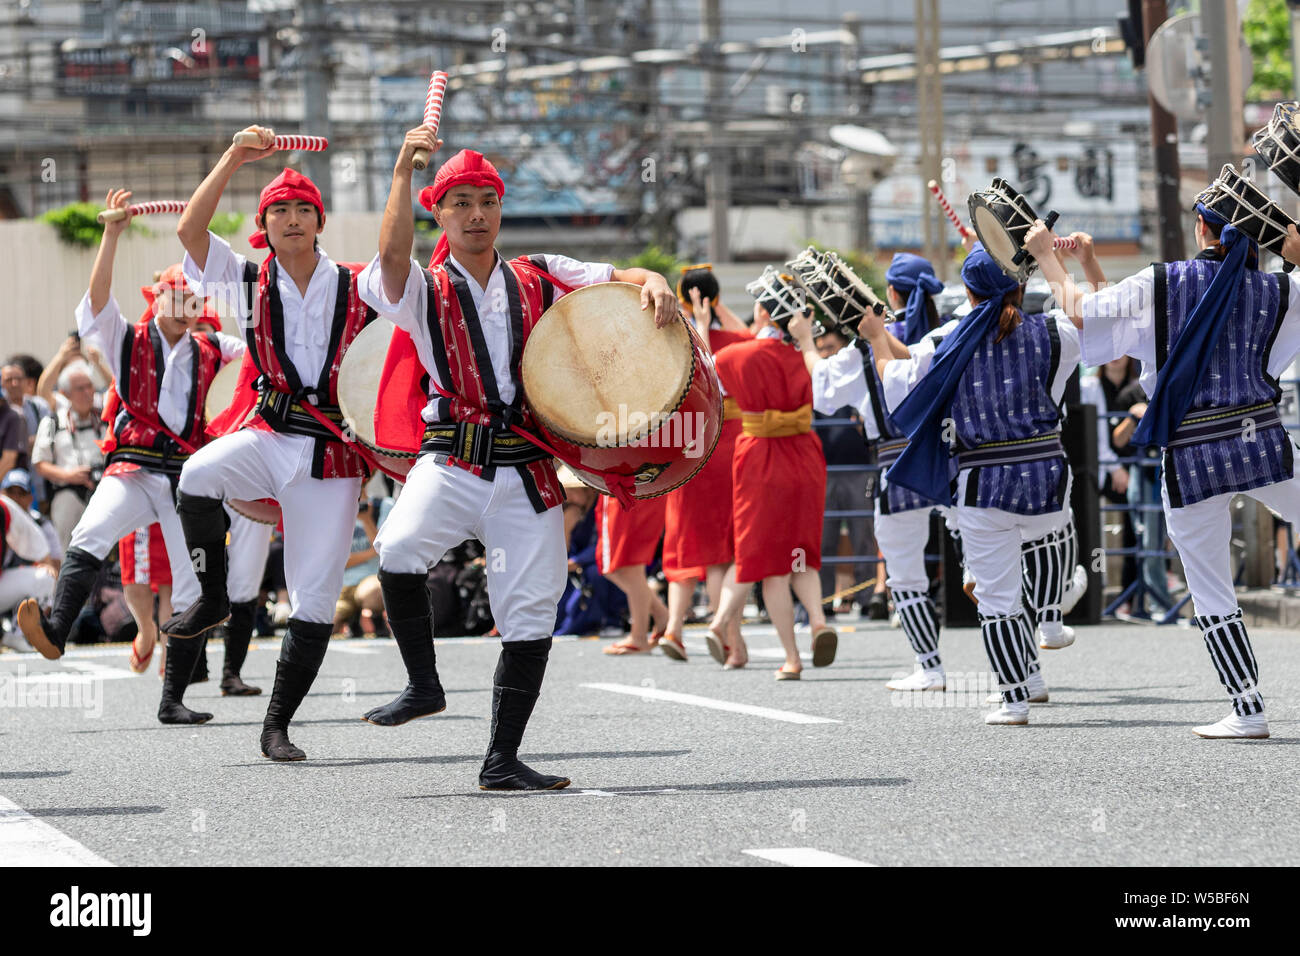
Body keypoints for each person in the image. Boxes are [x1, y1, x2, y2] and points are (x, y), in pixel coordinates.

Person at [358, 132, 680, 789]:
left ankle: (501, 760)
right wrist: (400, 170)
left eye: (487, 201)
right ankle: (424, 684)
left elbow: (626, 279)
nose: (476, 213)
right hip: (451, 457)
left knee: (532, 612)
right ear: (438, 214)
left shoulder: (543, 272)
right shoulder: (421, 287)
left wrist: (657, 282)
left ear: (500, 210)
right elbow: (390, 257)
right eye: (460, 203)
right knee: (396, 549)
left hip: (526, 470)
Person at [1028, 202, 1300, 739]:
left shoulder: (1162, 283)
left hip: (1193, 451)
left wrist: (1045, 256)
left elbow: (1087, 317)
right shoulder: (1279, 290)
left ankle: (1248, 709)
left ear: (1199, 227)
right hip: (1261, 440)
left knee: (1212, 590)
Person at [167, 128, 377, 759]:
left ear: (320, 222)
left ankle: (277, 724)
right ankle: (211, 597)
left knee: (313, 597)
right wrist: (232, 156)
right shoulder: (244, 281)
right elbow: (189, 232)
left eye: (303, 209)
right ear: (264, 224)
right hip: (269, 433)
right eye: (279, 211)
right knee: (197, 475)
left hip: (333, 456)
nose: (292, 218)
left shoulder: (357, 284)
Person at [16, 190, 245, 732]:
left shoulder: (214, 348)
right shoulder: (128, 338)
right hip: (135, 469)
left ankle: (173, 699)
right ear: (157, 298)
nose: (179, 300)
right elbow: (96, 302)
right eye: (171, 292)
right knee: (90, 532)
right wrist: (111, 235)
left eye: (189, 294)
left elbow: (265, 353)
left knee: (191, 587)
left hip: (187, 479)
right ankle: (56, 630)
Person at [874, 243, 1081, 725]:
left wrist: (874, 338)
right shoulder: (1054, 331)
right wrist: (1064, 263)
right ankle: (1051, 615)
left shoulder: (948, 339)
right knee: (1052, 534)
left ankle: (1014, 698)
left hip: (983, 486)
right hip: (1048, 479)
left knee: (997, 599)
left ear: (965, 292)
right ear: (1020, 285)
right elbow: (1090, 316)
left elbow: (898, 381)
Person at [791, 252, 949, 692]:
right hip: (950, 458)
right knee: (986, 562)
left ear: (891, 293)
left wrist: (805, 339)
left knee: (905, 573)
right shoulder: (950, 331)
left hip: (895, 464)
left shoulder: (865, 349)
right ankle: (1023, 665)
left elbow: (822, 389)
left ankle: (930, 667)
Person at [711, 301, 837, 681]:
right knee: (801, 553)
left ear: (763, 313)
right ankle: (817, 621)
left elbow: (705, 380)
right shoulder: (807, 356)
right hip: (804, 455)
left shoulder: (734, 355)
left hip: (759, 458)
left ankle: (792, 659)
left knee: (766, 564)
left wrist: (707, 320)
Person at [657, 268, 751, 663]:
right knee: (726, 550)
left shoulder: (675, 343)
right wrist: (712, 307)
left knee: (688, 543)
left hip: (690, 445)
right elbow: (746, 335)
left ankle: (678, 629)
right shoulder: (736, 342)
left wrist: (693, 314)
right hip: (733, 445)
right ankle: (729, 638)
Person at [32, 360, 106, 550]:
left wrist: (96, 359)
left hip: (104, 490)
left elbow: (119, 386)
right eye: (79, 388)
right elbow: (40, 463)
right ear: (65, 394)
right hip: (68, 493)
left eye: (89, 386)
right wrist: (68, 476)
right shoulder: (52, 422)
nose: (87, 392)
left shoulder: (106, 417)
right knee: (68, 550)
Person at [0, 471, 54, 649]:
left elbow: (44, 552)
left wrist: (46, 562)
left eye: (20, 493)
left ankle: (16, 635)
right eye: (11, 491)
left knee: (46, 577)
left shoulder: (5, 508)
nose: (15, 497)